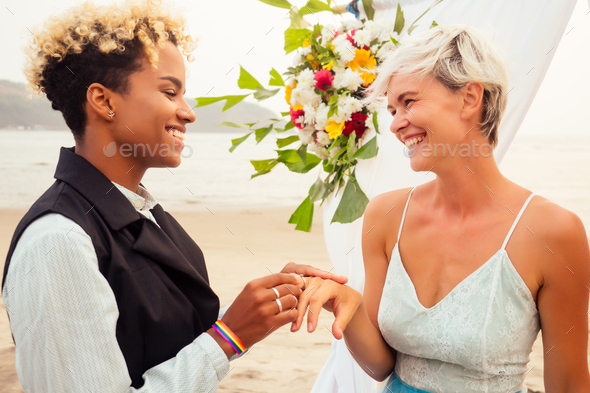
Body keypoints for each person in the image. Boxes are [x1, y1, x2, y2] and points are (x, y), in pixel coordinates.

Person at [1, 0, 346, 391]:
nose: (188, 112)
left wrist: (258, 311)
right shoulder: (58, 242)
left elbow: (169, 346)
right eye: (170, 92)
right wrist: (228, 336)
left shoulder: (142, 213)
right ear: (103, 100)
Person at [292, 25, 590, 392]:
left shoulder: (554, 232)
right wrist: (344, 301)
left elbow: (570, 382)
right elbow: (380, 365)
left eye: (409, 102)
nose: (397, 124)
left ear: (470, 98)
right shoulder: (385, 216)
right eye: (392, 109)